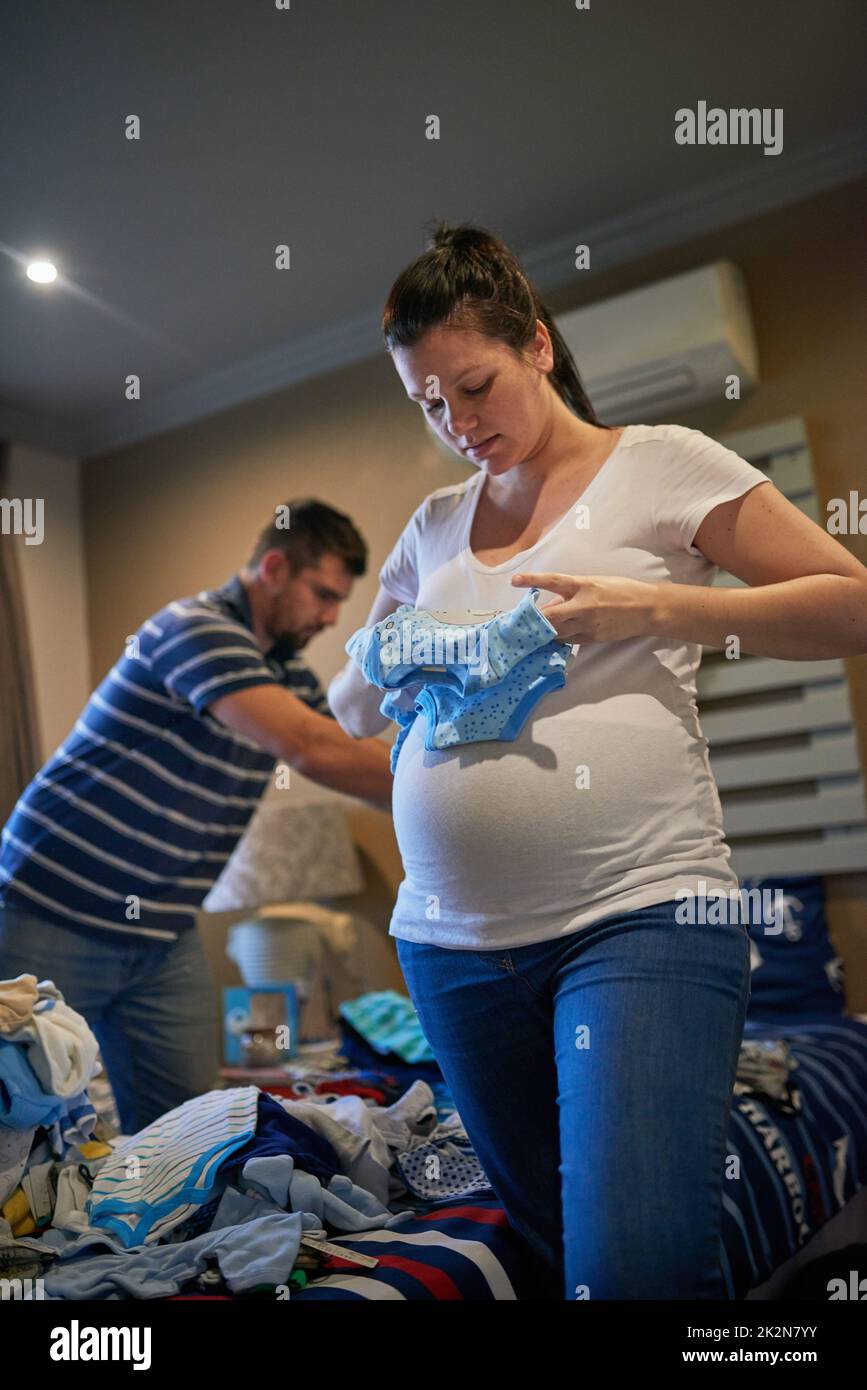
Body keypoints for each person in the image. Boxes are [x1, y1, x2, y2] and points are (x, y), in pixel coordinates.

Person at [327, 222, 867, 1300]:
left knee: (634, 1268)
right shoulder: (432, 527)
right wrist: (389, 663)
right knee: (556, 1246)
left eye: (473, 386)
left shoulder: (661, 464)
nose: (456, 423)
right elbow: (349, 705)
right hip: (450, 946)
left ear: (535, 344)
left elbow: (851, 604)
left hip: (642, 910)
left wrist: (650, 603)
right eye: (428, 405)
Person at [0, 499, 392, 1133]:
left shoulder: (289, 676)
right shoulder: (195, 628)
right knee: (20, 1124)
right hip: (53, 906)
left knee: (188, 1136)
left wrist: (443, 790)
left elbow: (351, 755)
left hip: (161, 930)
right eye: (322, 594)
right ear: (273, 566)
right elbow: (311, 748)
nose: (330, 617)